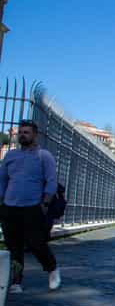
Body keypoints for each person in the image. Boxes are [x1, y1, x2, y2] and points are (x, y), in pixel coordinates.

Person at [0, 120, 62, 292]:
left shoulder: (44, 156)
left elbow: (51, 181)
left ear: (35, 135)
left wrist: (45, 203)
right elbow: (2, 179)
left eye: (26, 132)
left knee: (36, 244)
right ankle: (16, 281)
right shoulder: (11, 156)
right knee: (14, 246)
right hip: (9, 206)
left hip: (33, 207)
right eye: (21, 132)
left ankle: (52, 268)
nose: (22, 135)